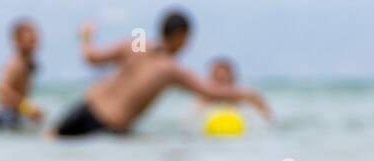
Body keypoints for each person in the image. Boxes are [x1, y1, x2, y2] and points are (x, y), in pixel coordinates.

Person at [53, 9, 270, 137]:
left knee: (52, 143)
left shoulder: (135, 45)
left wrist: (86, 36)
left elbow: (91, 58)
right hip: (108, 126)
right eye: (188, 39)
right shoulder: (170, 69)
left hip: (84, 108)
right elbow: (211, 91)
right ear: (180, 36)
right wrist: (249, 95)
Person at [0, 18, 45, 130]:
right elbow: (1, 90)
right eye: (29, 36)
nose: (34, 37)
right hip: (7, 115)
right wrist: (29, 109)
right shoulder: (17, 64)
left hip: (14, 113)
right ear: (17, 41)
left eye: (35, 35)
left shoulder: (28, 62)